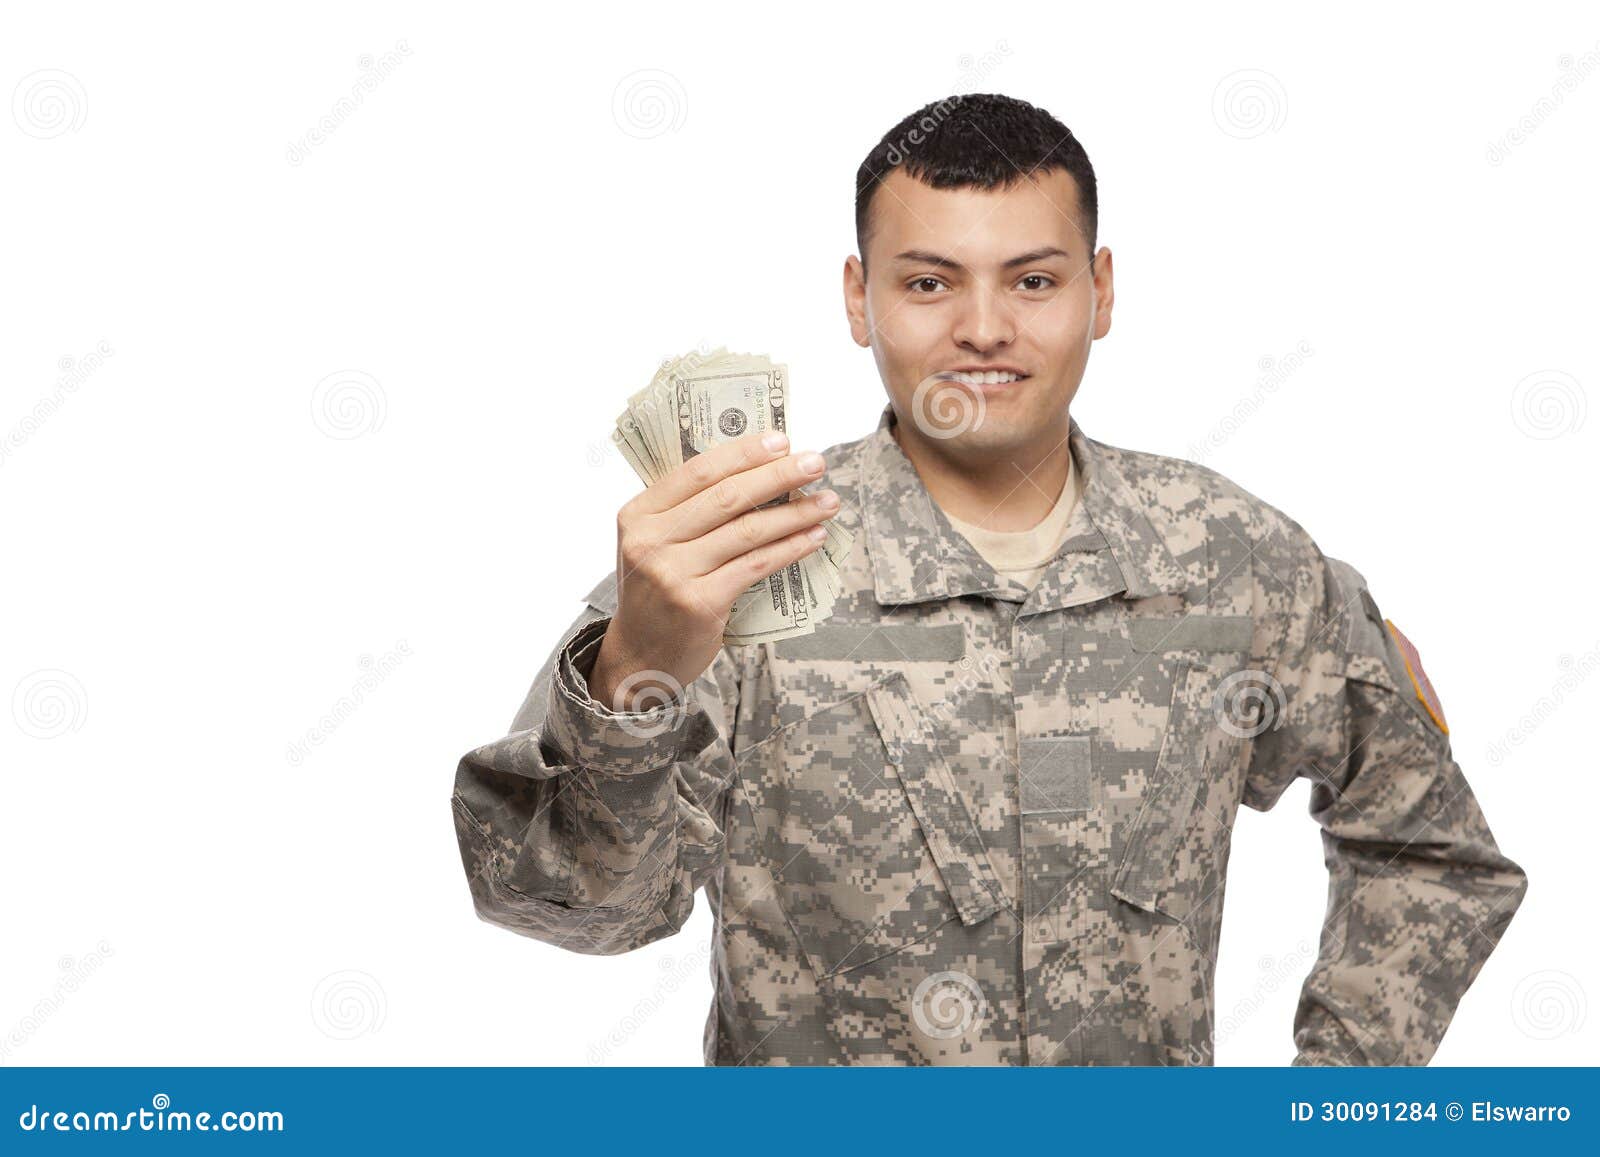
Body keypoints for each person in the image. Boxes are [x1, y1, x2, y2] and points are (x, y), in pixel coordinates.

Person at [449, 93, 1528, 1065]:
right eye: (928, 282)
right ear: (858, 298)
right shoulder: (729, 567)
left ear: (1099, 290)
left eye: (1033, 279)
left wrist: (1332, 1103)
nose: (982, 328)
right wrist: (636, 671)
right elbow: (578, 909)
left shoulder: (1234, 559)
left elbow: (1430, 848)